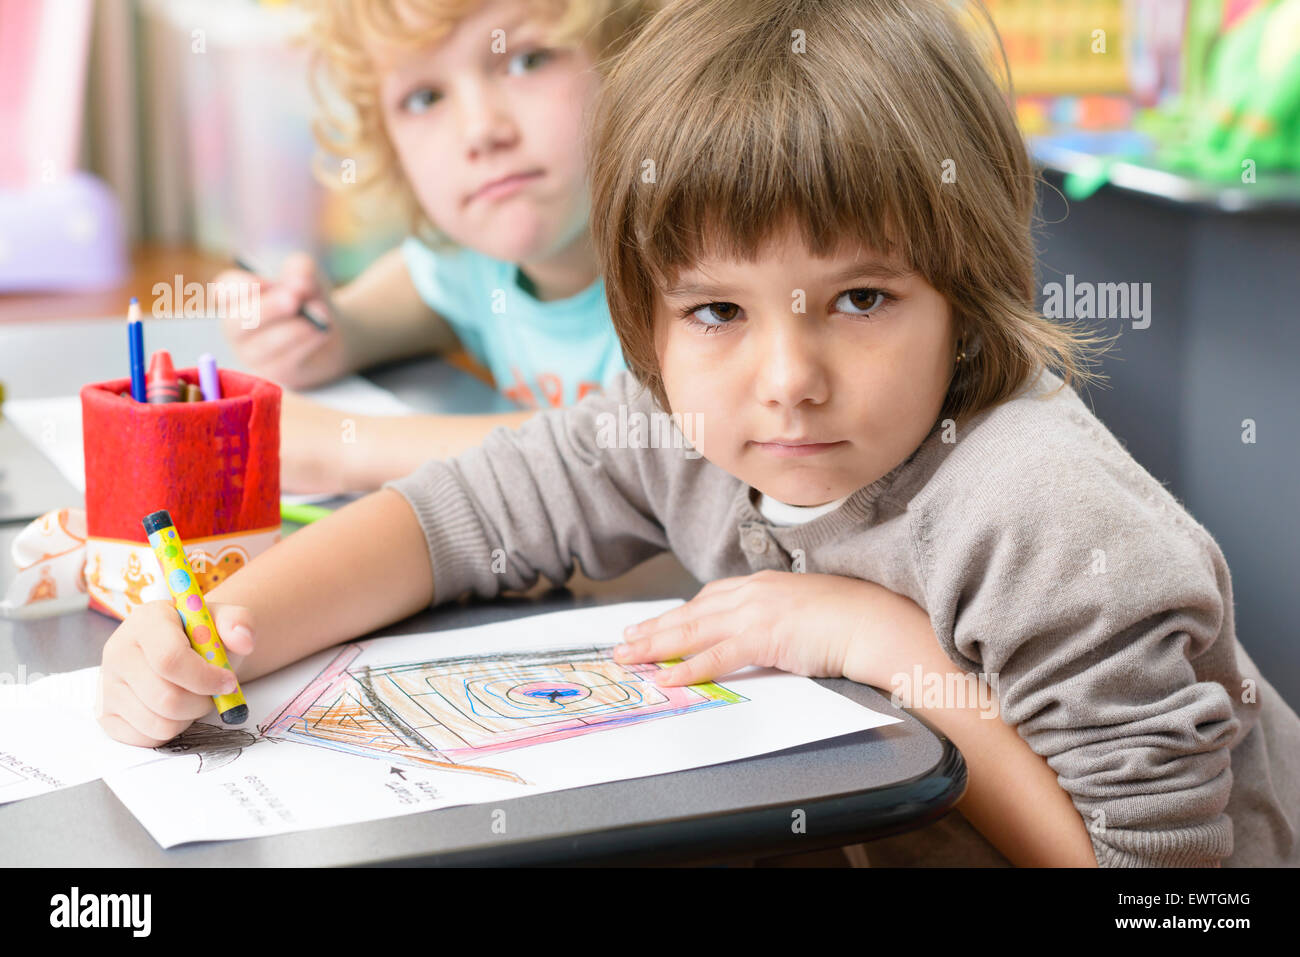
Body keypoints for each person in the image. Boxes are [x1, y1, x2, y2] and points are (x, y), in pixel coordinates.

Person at [99, 0, 1300, 867]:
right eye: (717, 311)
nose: (785, 382)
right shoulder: (679, 421)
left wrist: (877, 639)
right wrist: (221, 631)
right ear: (645, 318)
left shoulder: (1045, 516)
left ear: (965, 288)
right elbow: (451, 523)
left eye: (861, 301)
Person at [216, 0, 660, 494]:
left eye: (527, 61)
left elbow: (638, 455)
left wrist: (344, 449)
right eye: (424, 97)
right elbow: (423, 284)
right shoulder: (480, 262)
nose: (481, 130)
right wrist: (328, 331)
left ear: (637, 56)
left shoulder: (705, 273)